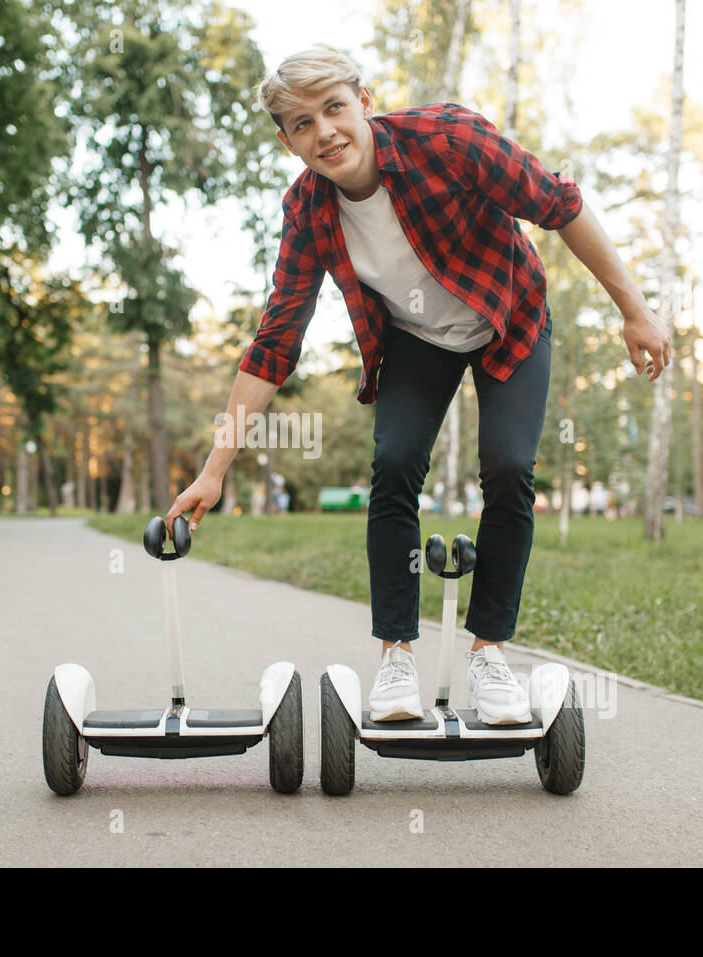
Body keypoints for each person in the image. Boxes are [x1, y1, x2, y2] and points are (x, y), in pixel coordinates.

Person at [165, 47, 670, 723]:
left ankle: (489, 654)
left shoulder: (449, 139)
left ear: (365, 100)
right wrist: (213, 470)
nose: (325, 133)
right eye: (302, 123)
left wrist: (634, 309)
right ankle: (396, 657)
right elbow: (274, 344)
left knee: (510, 465)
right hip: (413, 340)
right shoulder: (308, 211)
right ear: (287, 140)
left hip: (507, 315)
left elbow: (560, 203)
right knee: (395, 463)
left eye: (334, 108)